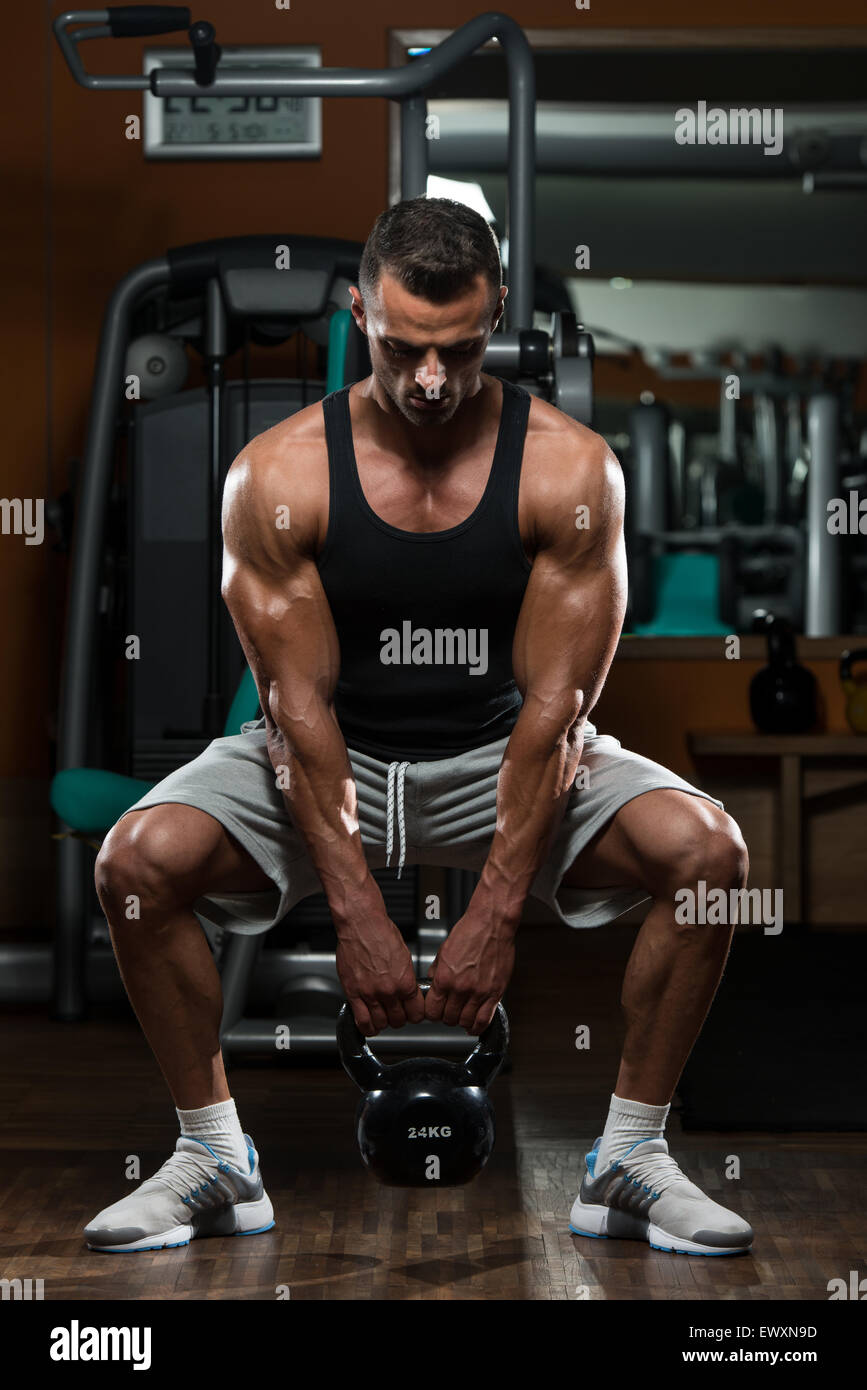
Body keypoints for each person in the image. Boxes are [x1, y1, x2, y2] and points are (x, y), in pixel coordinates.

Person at [85, 197, 752, 1258]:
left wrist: (494, 912)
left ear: (496, 317)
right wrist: (356, 913)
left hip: (506, 754)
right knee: (135, 864)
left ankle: (629, 1157)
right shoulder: (279, 474)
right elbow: (296, 719)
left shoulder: (569, 471)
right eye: (402, 349)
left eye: (461, 347)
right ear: (361, 314)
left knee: (710, 855)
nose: (431, 379)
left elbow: (557, 712)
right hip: (330, 754)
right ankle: (213, 1155)